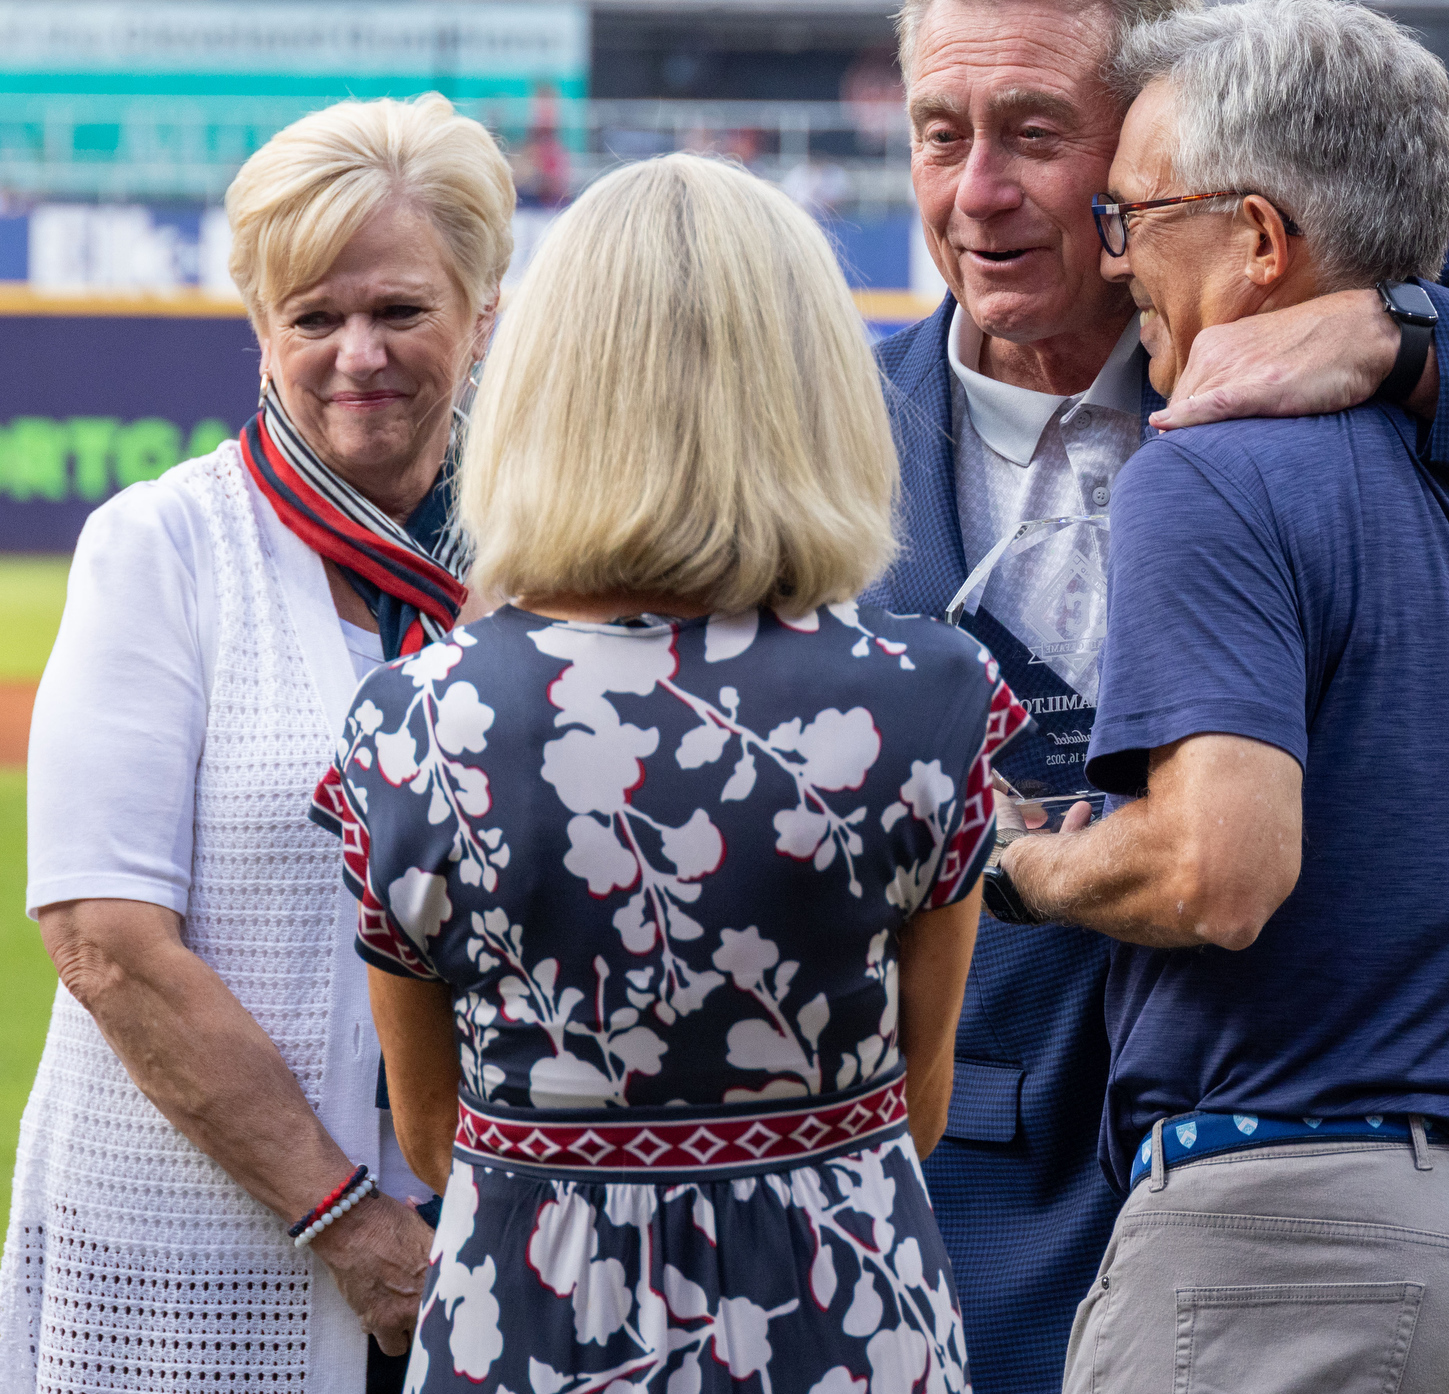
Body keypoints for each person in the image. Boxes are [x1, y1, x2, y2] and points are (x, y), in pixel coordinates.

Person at [864, 0, 1449, 1394]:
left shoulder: (1371, 291)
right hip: (982, 1171)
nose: (977, 194)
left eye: (1038, 137)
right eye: (943, 133)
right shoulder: (823, 421)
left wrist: (1406, 336)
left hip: (1302, 1132)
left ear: (1168, 142)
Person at [312, 154, 1018, 1392]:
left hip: (527, 1323)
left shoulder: (416, 722)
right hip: (840, 1318)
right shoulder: (926, 694)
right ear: (809, 392)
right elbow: (917, 1097)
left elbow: (434, 1134)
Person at [0, 93, 514, 1394]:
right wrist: (351, 1222)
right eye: (312, 317)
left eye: (399, 311)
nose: (357, 354)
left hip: (509, 1250)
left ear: (483, 313)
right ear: (256, 327)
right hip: (210, 1250)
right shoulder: (162, 549)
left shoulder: (552, 557)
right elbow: (103, 938)